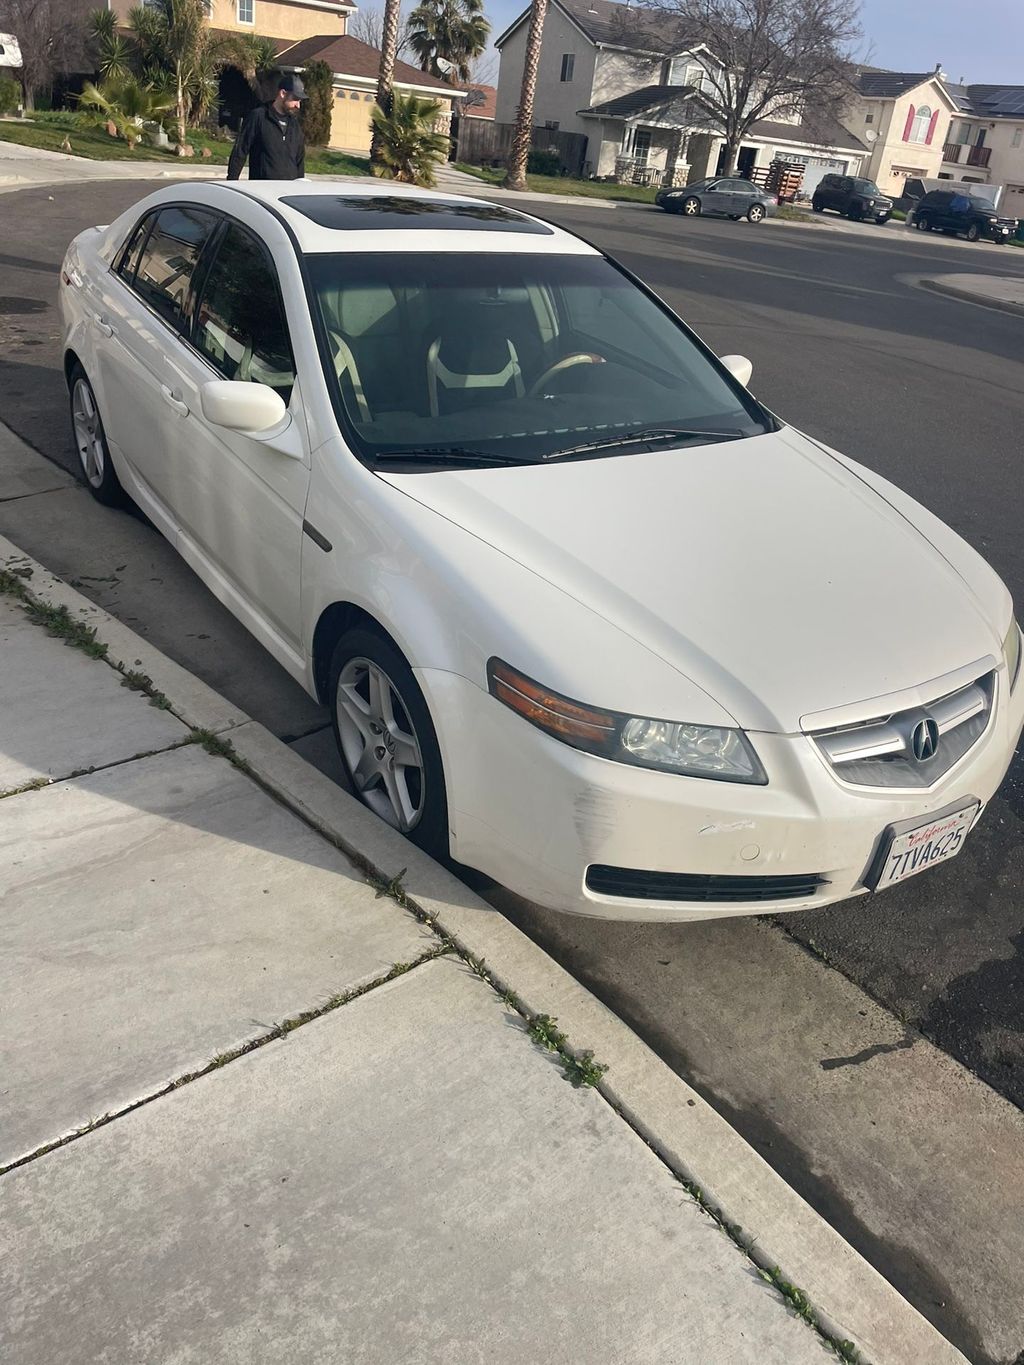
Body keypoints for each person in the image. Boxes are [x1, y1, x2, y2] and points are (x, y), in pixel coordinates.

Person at [227, 75, 307, 182]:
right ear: (283, 93)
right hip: (263, 189)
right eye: (295, 99)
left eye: (300, 101)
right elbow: (240, 151)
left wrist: (300, 186)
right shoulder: (258, 117)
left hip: (287, 191)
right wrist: (232, 181)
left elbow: (299, 160)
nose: (298, 105)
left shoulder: (294, 125)